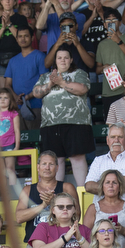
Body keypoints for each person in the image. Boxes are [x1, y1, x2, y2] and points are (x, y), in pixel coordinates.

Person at [30, 47, 93, 185]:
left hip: (77, 123)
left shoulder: (79, 73)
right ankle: (57, 198)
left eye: (66, 57)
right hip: (50, 125)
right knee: (55, 160)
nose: (63, 60)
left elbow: (83, 89)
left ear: (71, 60)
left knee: (77, 158)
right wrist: (50, 84)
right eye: (59, 57)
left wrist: (61, 82)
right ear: (55, 60)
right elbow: (36, 92)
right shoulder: (46, 77)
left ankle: (82, 193)